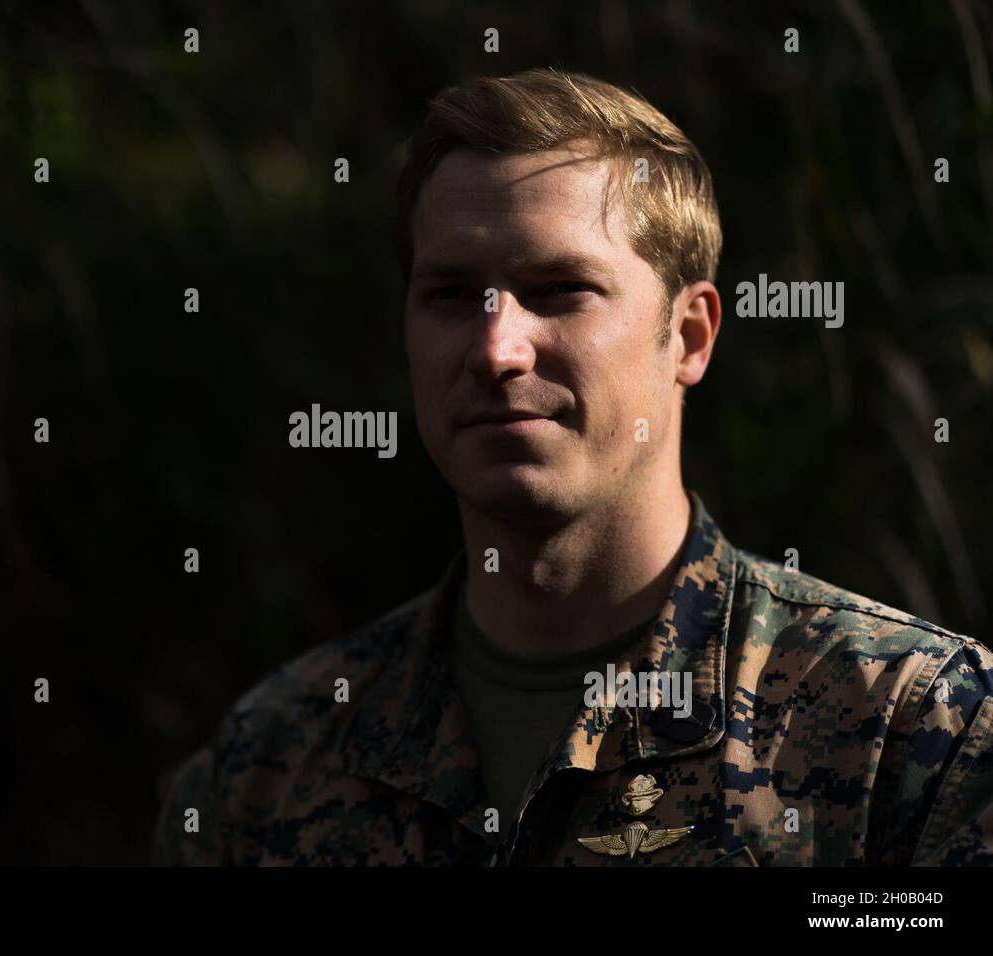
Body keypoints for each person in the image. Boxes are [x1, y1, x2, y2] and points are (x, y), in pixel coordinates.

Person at [151, 67, 993, 866]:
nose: (495, 349)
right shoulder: (267, 769)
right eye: (450, 294)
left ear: (689, 336)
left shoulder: (911, 733)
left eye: (559, 289)